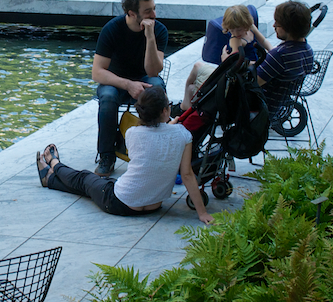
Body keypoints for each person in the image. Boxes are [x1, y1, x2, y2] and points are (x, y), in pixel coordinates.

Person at [36, 86, 214, 225]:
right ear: (164, 112)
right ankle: (49, 179)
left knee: (84, 178)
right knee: (93, 187)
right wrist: (202, 213)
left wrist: (168, 127)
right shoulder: (183, 134)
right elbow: (187, 174)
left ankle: (54, 163)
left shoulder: (132, 133)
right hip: (154, 206)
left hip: (119, 203)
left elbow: (148, 147)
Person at [93, 0, 168, 175]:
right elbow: (97, 72)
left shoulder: (159, 30)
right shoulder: (112, 29)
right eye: (148, 11)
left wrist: (150, 37)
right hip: (116, 81)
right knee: (108, 98)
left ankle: (154, 150)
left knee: (156, 87)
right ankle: (107, 155)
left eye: (154, 8)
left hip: (145, 77)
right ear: (132, 13)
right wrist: (127, 84)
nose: (154, 14)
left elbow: (153, 70)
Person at [182, 4, 273, 109]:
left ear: (246, 23)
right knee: (192, 86)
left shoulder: (236, 41)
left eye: (238, 29)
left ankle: (184, 106)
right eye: (231, 30)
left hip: (240, 77)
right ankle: (186, 106)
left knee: (196, 67)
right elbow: (263, 41)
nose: (234, 33)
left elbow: (235, 65)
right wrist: (270, 53)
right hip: (251, 70)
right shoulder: (250, 29)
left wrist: (224, 58)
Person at [257, 0, 315, 116]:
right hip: (279, 105)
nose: (274, 26)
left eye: (277, 23)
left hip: (260, 107)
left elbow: (254, 82)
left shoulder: (280, 55)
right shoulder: (307, 50)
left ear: (287, 27)